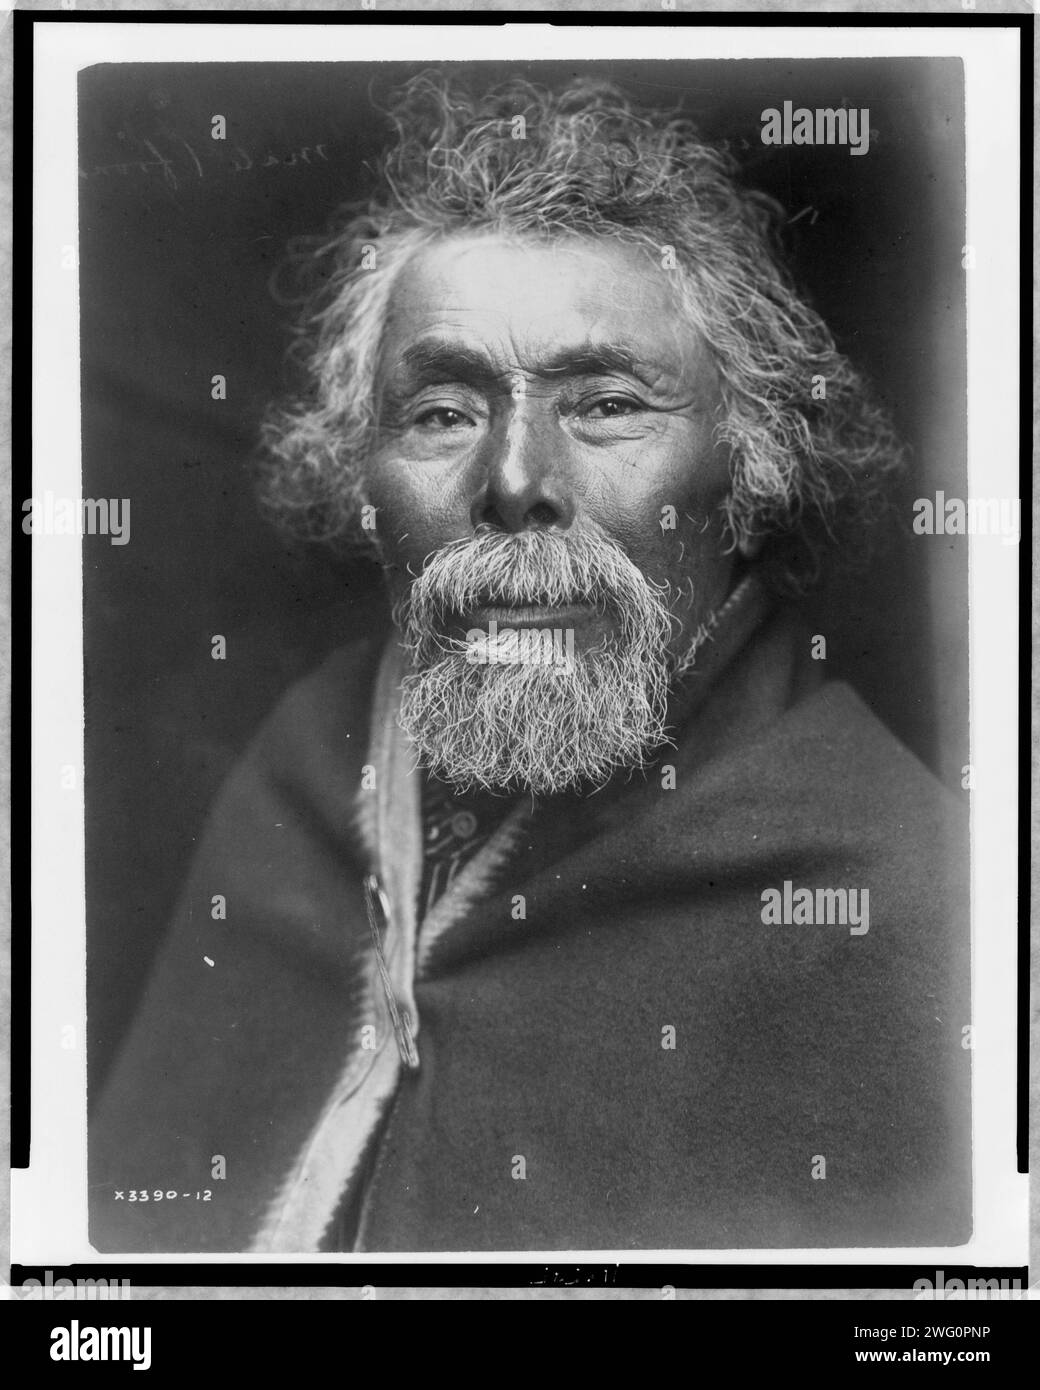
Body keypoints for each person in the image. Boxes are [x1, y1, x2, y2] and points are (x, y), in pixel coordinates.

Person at [90, 73, 970, 1253]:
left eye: (605, 403)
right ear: (357, 477)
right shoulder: (310, 759)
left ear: (745, 470)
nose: (514, 482)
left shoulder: (904, 907)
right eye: (442, 413)